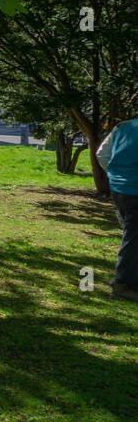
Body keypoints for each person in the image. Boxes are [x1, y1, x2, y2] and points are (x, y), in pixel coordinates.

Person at [96, 117, 138, 301]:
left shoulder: (122, 127)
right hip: (135, 189)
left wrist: (117, 176)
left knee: (132, 236)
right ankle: (122, 285)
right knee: (133, 239)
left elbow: (102, 155)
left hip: (120, 189)